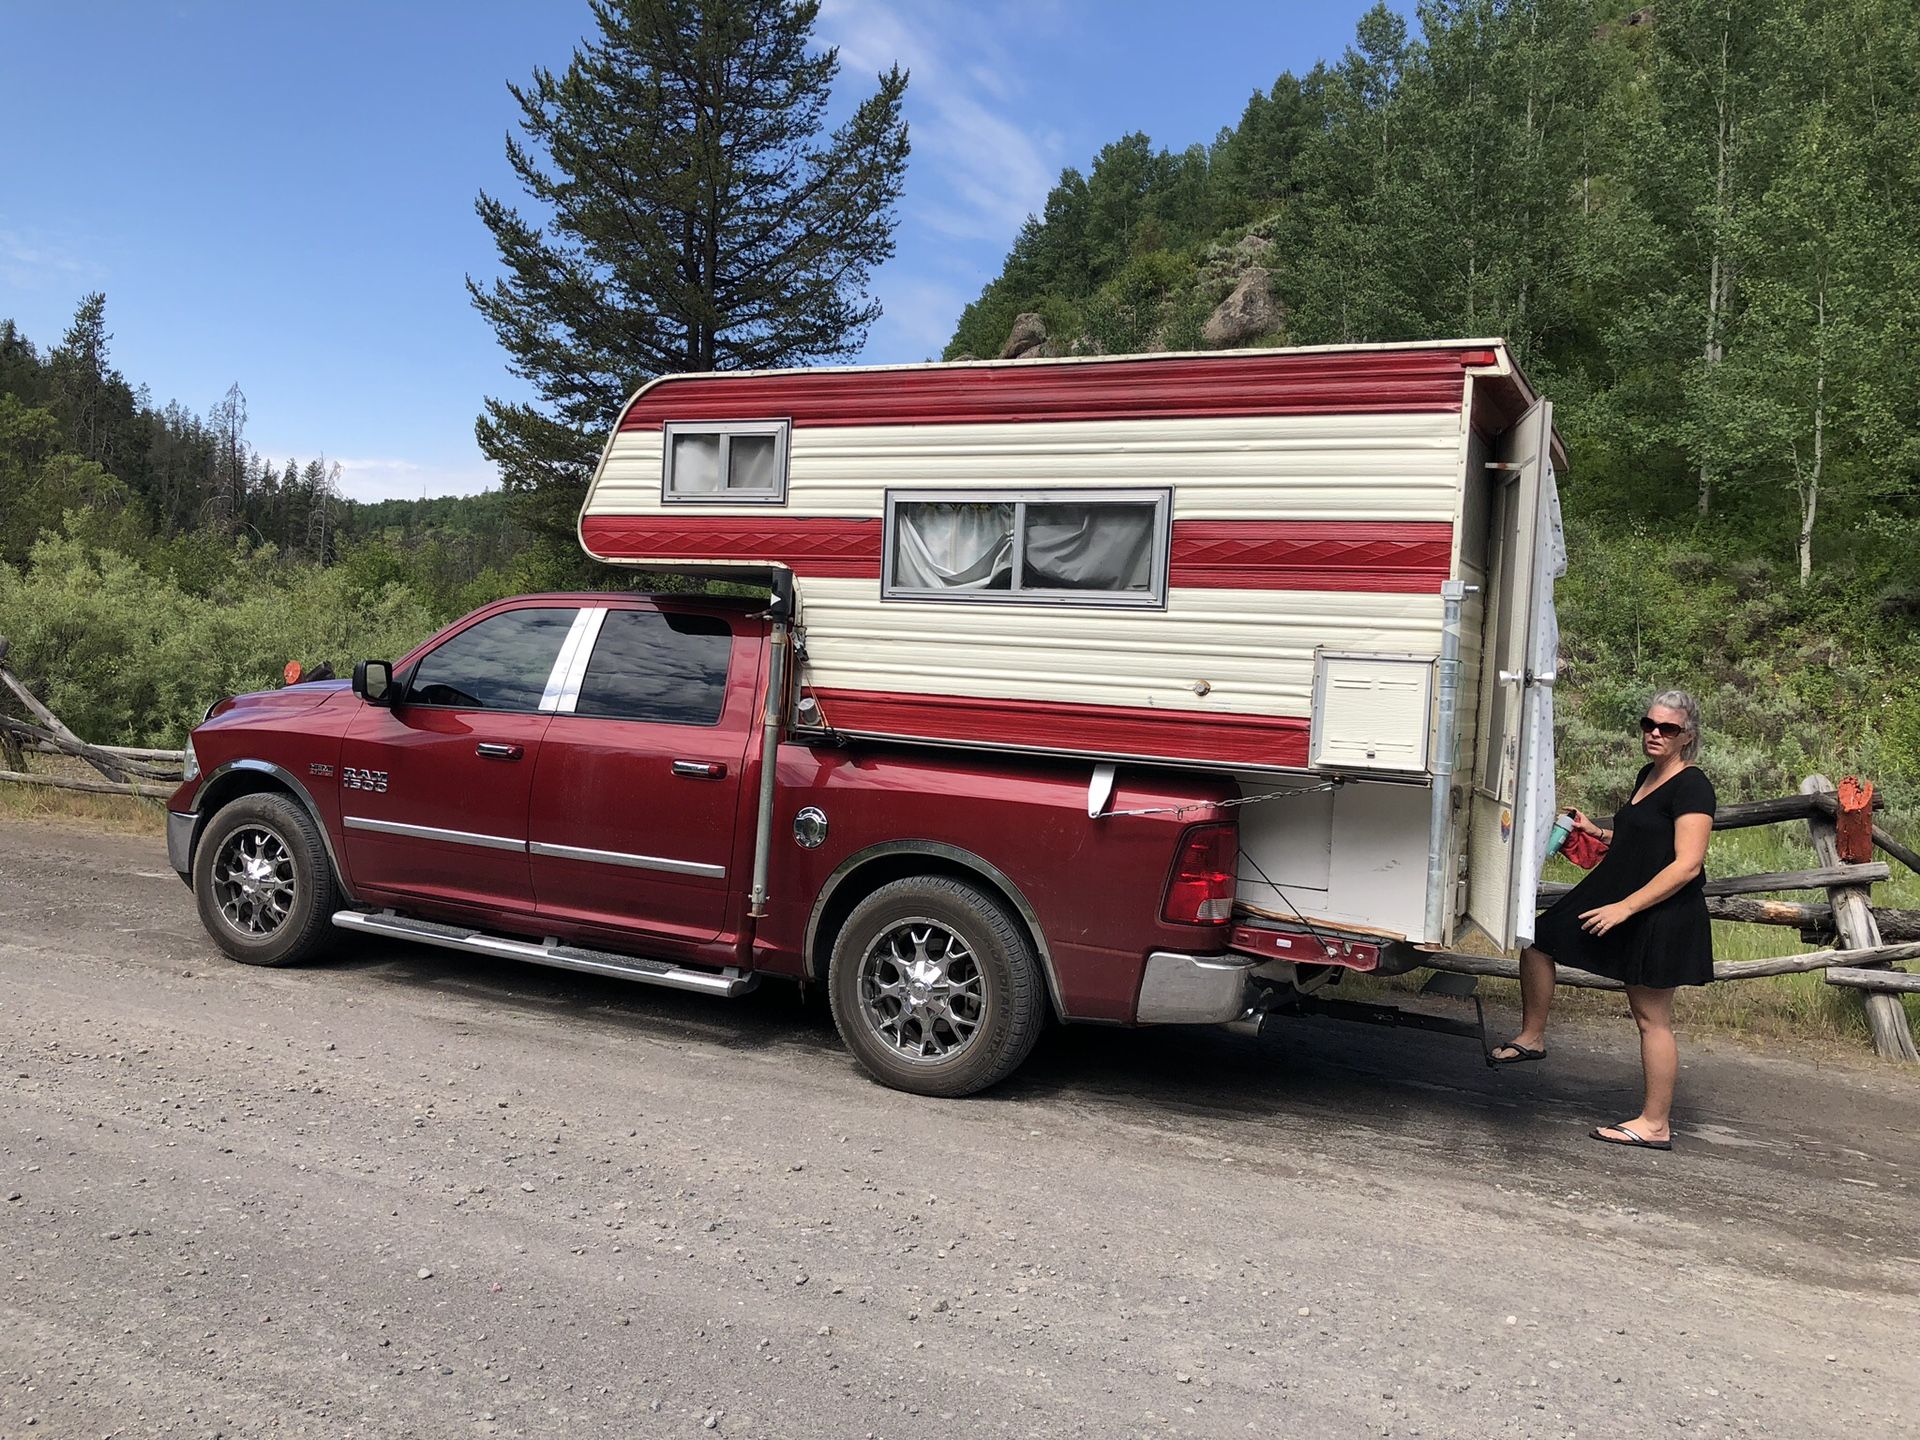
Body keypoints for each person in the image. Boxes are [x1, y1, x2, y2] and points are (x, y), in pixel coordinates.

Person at [1489, 690, 1716, 1152]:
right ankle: (1532, 1037)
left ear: (1687, 735)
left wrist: (1625, 908)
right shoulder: (1647, 774)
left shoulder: (1693, 786)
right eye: (1648, 724)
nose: (1654, 733)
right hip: (1625, 901)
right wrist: (1598, 833)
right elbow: (1644, 839)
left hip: (1660, 912)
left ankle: (1655, 1124)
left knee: (1651, 1018)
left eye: (1667, 728)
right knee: (1540, 939)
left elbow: (1687, 864)